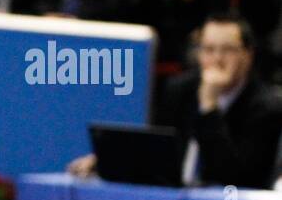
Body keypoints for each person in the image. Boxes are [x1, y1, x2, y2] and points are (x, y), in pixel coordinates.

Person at [68, 15, 282, 189]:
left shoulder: (266, 107)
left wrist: (209, 108)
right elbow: (156, 151)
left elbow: (234, 179)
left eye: (227, 50)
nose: (217, 59)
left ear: (248, 54)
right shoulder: (179, 90)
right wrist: (107, 162)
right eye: (208, 49)